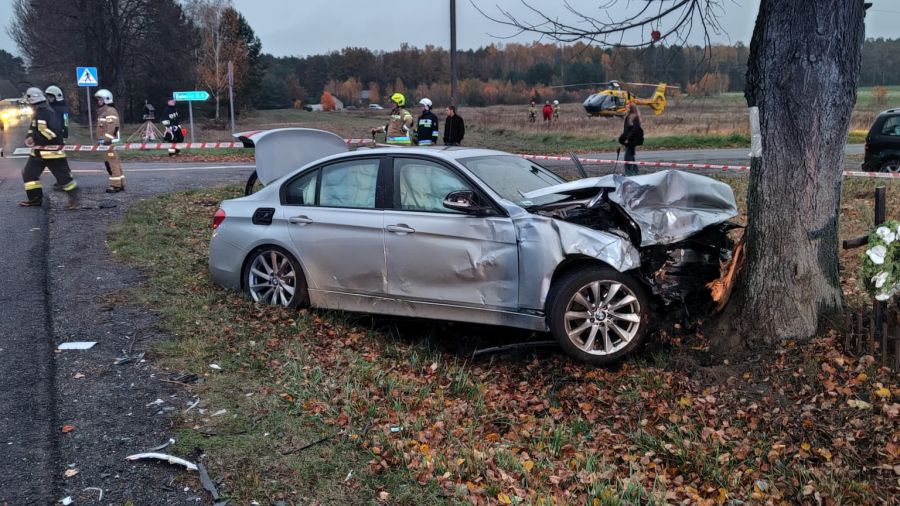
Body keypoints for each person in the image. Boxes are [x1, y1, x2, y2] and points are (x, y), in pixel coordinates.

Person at [19, 87, 78, 208]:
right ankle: (35, 199)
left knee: (64, 179)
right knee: (28, 174)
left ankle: (74, 198)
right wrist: (29, 137)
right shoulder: (38, 112)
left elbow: (54, 133)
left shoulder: (47, 112)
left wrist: (38, 138)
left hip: (53, 152)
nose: (29, 105)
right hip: (38, 152)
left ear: (32, 101)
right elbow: (33, 128)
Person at [94, 88, 124, 192]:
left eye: (100, 100)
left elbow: (112, 127)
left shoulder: (110, 111)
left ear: (107, 99)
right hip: (107, 142)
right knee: (113, 163)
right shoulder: (105, 111)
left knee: (111, 164)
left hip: (110, 143)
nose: (99, 102)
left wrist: (106, 140)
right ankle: (120, 183)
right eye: (98, 100)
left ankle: (115, 185)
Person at [618, 102, 644, 176]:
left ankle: (629, 172)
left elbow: (634, 130)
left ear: (631, 108)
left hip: (632, 140)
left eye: (628, 107)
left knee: (627, 157)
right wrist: (623, 137)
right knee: (631, 156)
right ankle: (635, 172)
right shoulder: (629, 116)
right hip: (629, 140)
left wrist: (627, 138)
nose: (626, 108)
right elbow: (627, 130)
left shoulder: (634, 117)